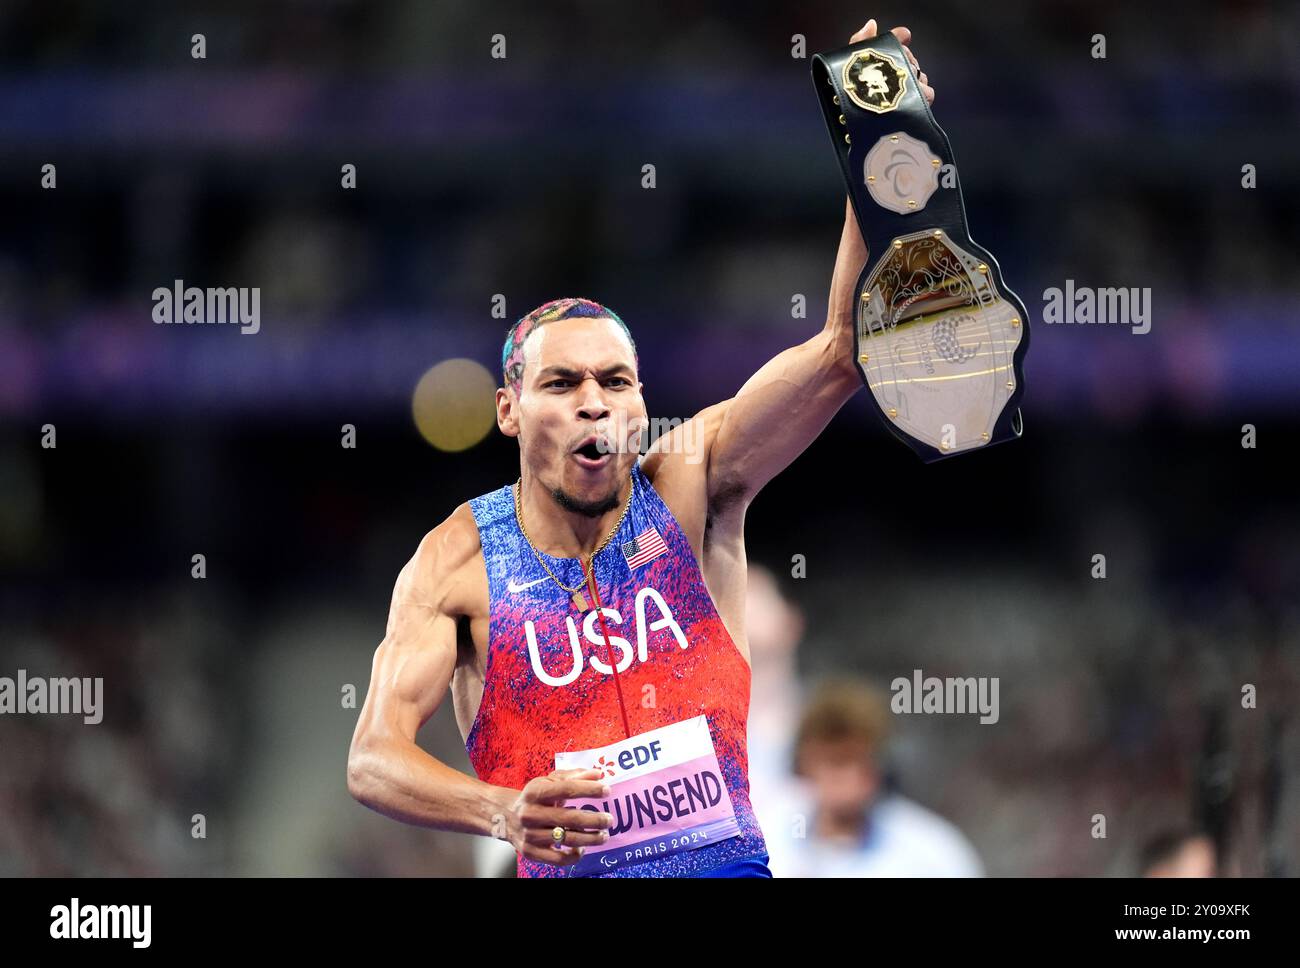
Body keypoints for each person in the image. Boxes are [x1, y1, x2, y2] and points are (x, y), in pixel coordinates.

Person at [346, 18, 936, 878]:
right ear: (509, 412)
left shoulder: (693, 479)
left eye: (616, 382)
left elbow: (842, 349)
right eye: (562, 385)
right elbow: (371, 758)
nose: (595, 403)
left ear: (642, 401)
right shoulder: (458, 560)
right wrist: (503, 810)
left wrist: (879, 151)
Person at [768, 680, 984, 877]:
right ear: (802, 764)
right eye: (830, 761)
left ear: (881, 765)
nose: (841, 776)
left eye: (852, 760)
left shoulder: (933, 854)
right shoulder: (767, 844)